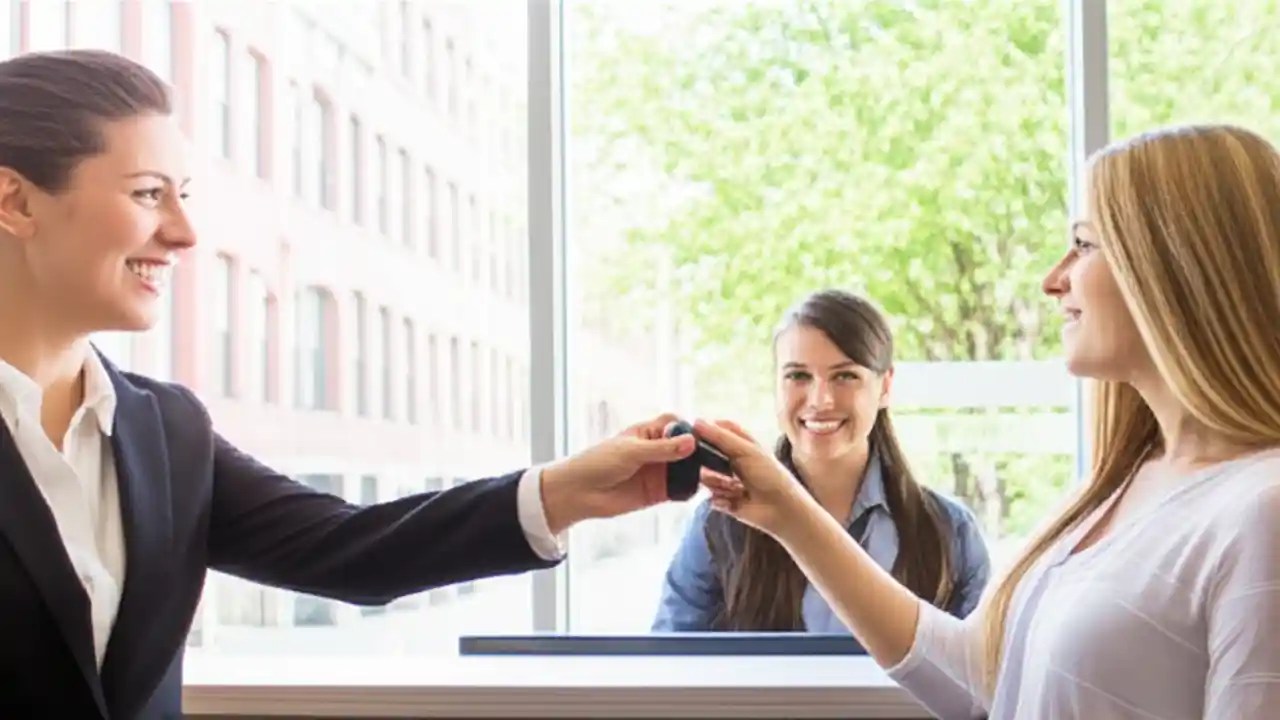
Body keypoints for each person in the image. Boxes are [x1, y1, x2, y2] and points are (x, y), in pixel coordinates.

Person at [0, 50, 698, 719]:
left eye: (182, 196)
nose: (185, 234)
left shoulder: (167, 430)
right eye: (149, 194)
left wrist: (566, 491)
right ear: (15, 200)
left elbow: (353, 547)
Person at [695, 124, 1280, 719]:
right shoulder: (1122, 484)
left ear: (1175, 266)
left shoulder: (1261, 512)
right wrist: (789, 513)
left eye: (1084, 244)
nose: (1054, 280)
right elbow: (982, 677)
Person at [652, 290, 990, 638]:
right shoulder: (719, 525)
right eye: (798, 376)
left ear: (885, 386)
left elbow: (981, 678)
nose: (820, 400)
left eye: (845, 376)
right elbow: (669, 666)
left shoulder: (951, 533)